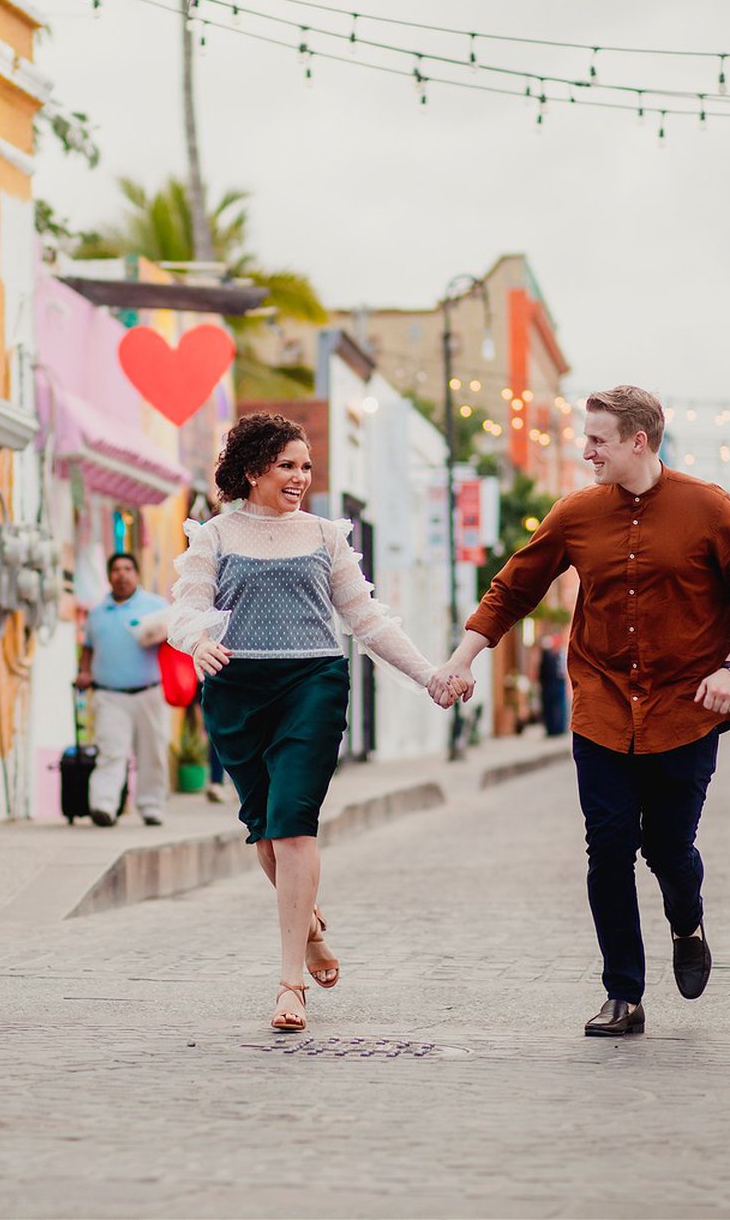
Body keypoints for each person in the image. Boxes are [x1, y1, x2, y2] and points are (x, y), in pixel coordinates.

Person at [429, 386, 730, 1038]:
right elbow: (513, 589)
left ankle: (687, 921)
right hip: (602, 707)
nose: (585, 450)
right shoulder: (576, 513)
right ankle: (623, 993)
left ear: (637, 441)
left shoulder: (708, 508)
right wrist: (460, 660)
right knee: (609, 847)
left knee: (669, 848)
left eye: (597, 439)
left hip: (686, 709)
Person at [169, 412, 454, 1033]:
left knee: (295, 825)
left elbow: (367, 619)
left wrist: (428, 674)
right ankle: (313, 926)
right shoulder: (214, 536)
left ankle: (289, 984)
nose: (300, 477)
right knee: (264, 833)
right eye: (287, 466)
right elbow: (186, 609)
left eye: (306, 467)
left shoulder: (325, 536)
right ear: (252, 471)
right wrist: (198, 642)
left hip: (312, 684)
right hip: (236, 689)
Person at [77, 553, 171, 828]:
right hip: (109, 695)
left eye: (128, 568)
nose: (122, 574)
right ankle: (104, 805)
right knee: (110, 751)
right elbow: (88, 648)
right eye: (116, 570)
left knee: (152, 752)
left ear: (137, 574)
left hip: (148, 692)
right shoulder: (97, 612)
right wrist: (84, 672)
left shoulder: (157, 606)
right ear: (109, 577)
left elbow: (175, 643)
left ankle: (152, 806)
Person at [538, 635, 569, 736]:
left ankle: (559, 728)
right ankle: (552, 729)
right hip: (548, 684)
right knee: (550, 707)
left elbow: (563, 670)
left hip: (558, 682)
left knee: (559, 706)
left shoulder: (561, 654)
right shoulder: (546, 656)